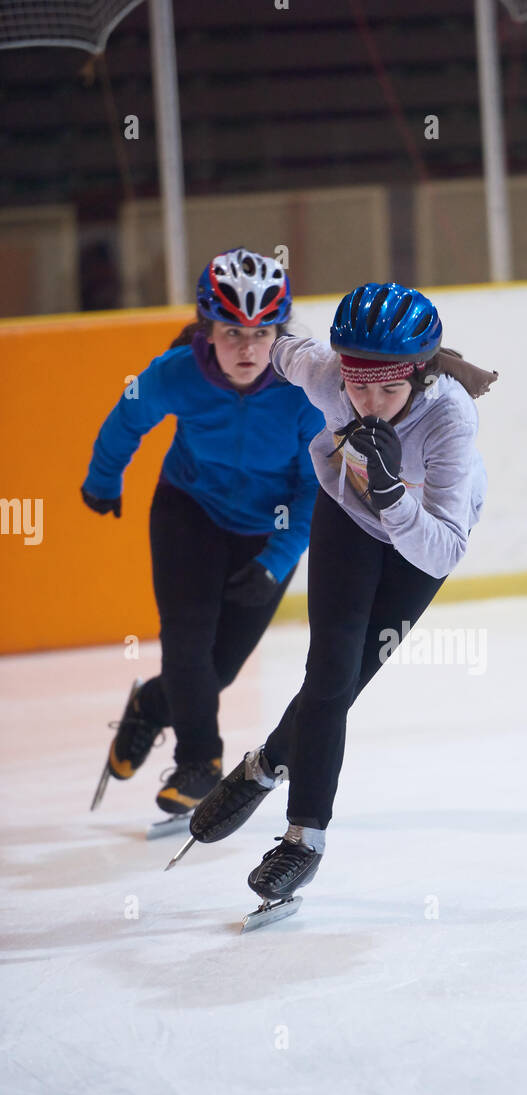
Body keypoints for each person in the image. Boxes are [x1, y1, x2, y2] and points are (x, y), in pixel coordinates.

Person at [185, 279, 497, 905]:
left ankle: (264, 766)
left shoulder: (450, 416)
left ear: (420, 375)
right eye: (360, 385)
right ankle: (304, 841)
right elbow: (279, 348)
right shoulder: (326, 374)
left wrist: (391, 493)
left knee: (348, 682)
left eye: (389, 388)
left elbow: (444, 548)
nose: (371, 402)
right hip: (347, 519)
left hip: (421, 540)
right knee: (328, 677)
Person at [84, 248, 323, 814]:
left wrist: (277, 558)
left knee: (217, 668)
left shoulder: (305, 389)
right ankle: (200, 761)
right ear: (206, 329)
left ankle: (150, 704)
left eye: (262, 333)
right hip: (187, 510)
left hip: (269, 530)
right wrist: (103, 480)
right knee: (187, 642)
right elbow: (127, 416)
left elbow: (315, 487)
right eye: (230, 332)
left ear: (279, 331)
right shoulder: (176, 372)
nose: (247, 348)